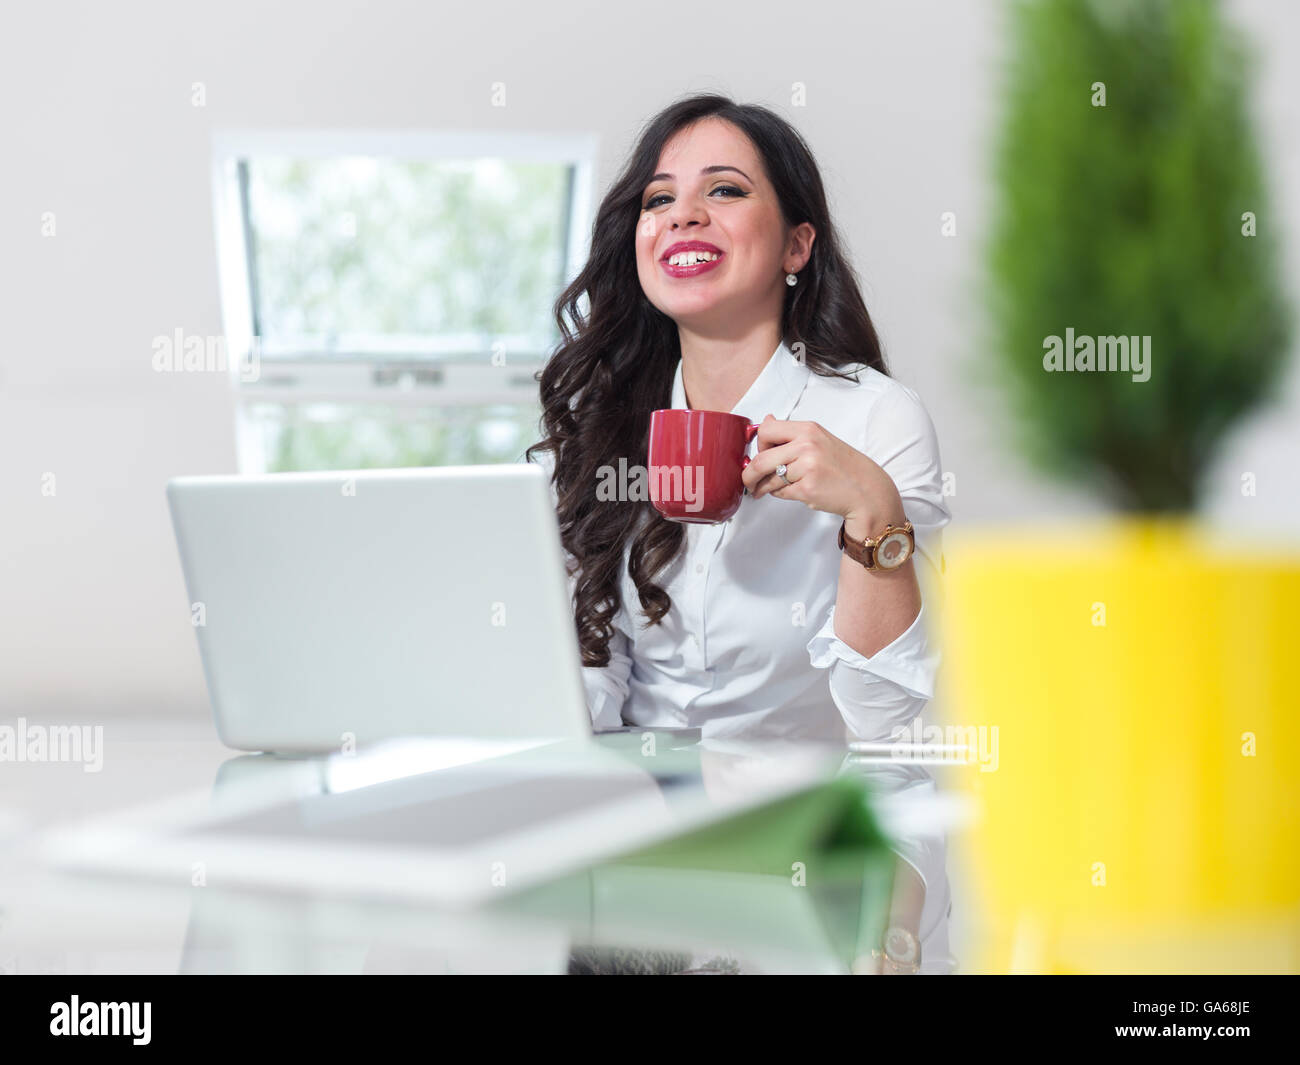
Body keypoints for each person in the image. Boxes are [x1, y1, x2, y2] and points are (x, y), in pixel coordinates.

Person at [527, 94, 954, 972]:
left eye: (724, 190)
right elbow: (592, 706)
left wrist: (872, 511)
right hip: (648, 832)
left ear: (797, 245)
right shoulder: (603, 428)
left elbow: (886, 730)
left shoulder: (875, 420)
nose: (683, 212)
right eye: (658, 199)